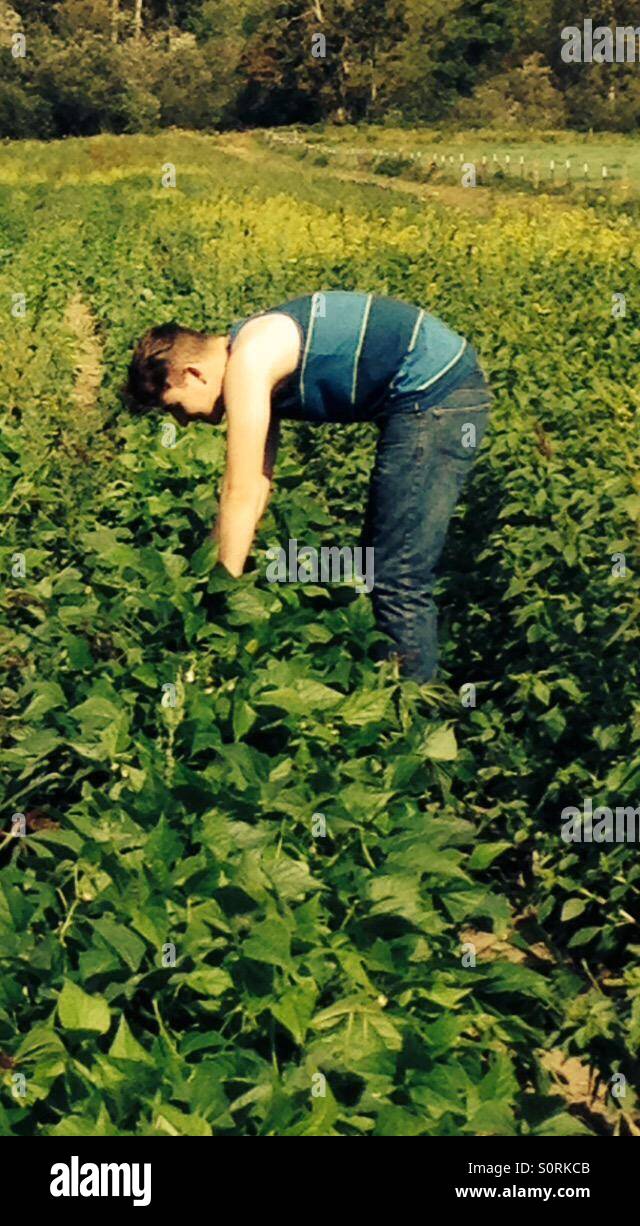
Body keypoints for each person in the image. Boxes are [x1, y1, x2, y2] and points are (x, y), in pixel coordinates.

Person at [125, 290, 493, 682]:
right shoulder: (250, 351)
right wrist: (211, 565)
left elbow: (242, 490)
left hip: (439, 395)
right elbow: (253, 485)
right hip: (430, 395)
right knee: (380, 561)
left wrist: (218, 606)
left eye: (175, 406)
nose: (182, 422)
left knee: (397, 573)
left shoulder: (250, 361)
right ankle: (393, 687)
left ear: (193, 374)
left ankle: (415, 717)